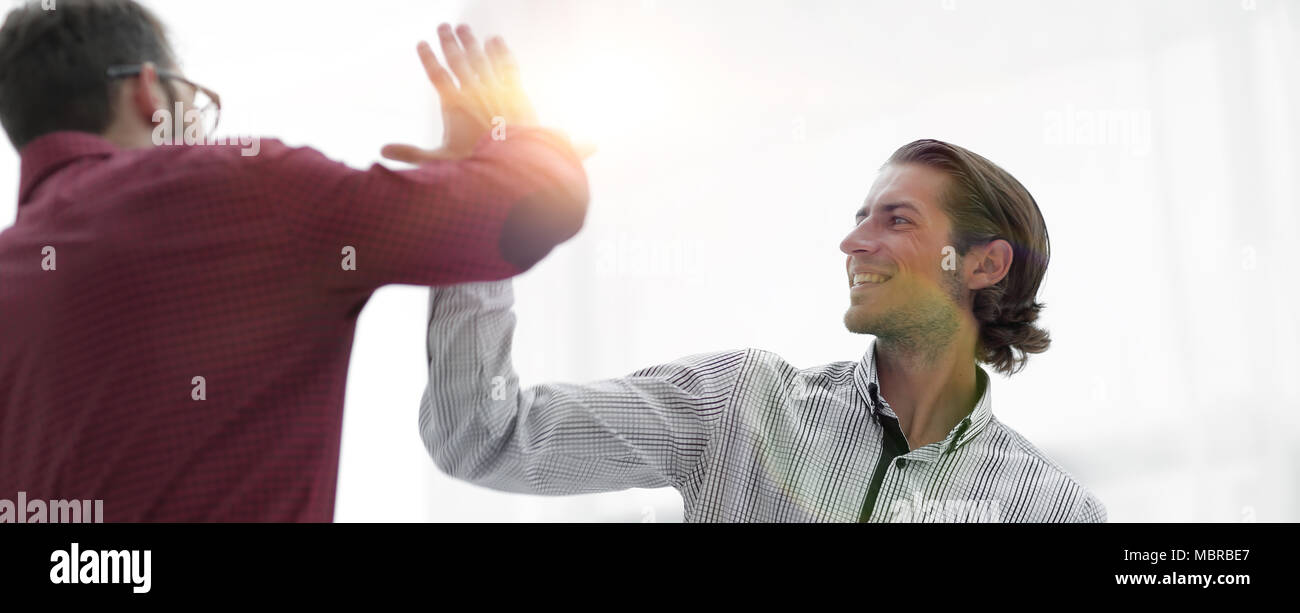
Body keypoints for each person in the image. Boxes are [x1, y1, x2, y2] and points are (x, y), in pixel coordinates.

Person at [0, 0, 588, 521]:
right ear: (150, 92)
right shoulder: (239, 193)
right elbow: (535, 205)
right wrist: (507, 137)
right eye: (194, 107)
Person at [420, 139, 1107, 522]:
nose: (852, 241)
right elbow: (485, 436)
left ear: (984, 263)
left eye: (896, 220)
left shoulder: (1052, 510)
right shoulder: (739, 403)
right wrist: (479, 223)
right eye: (860, 215)